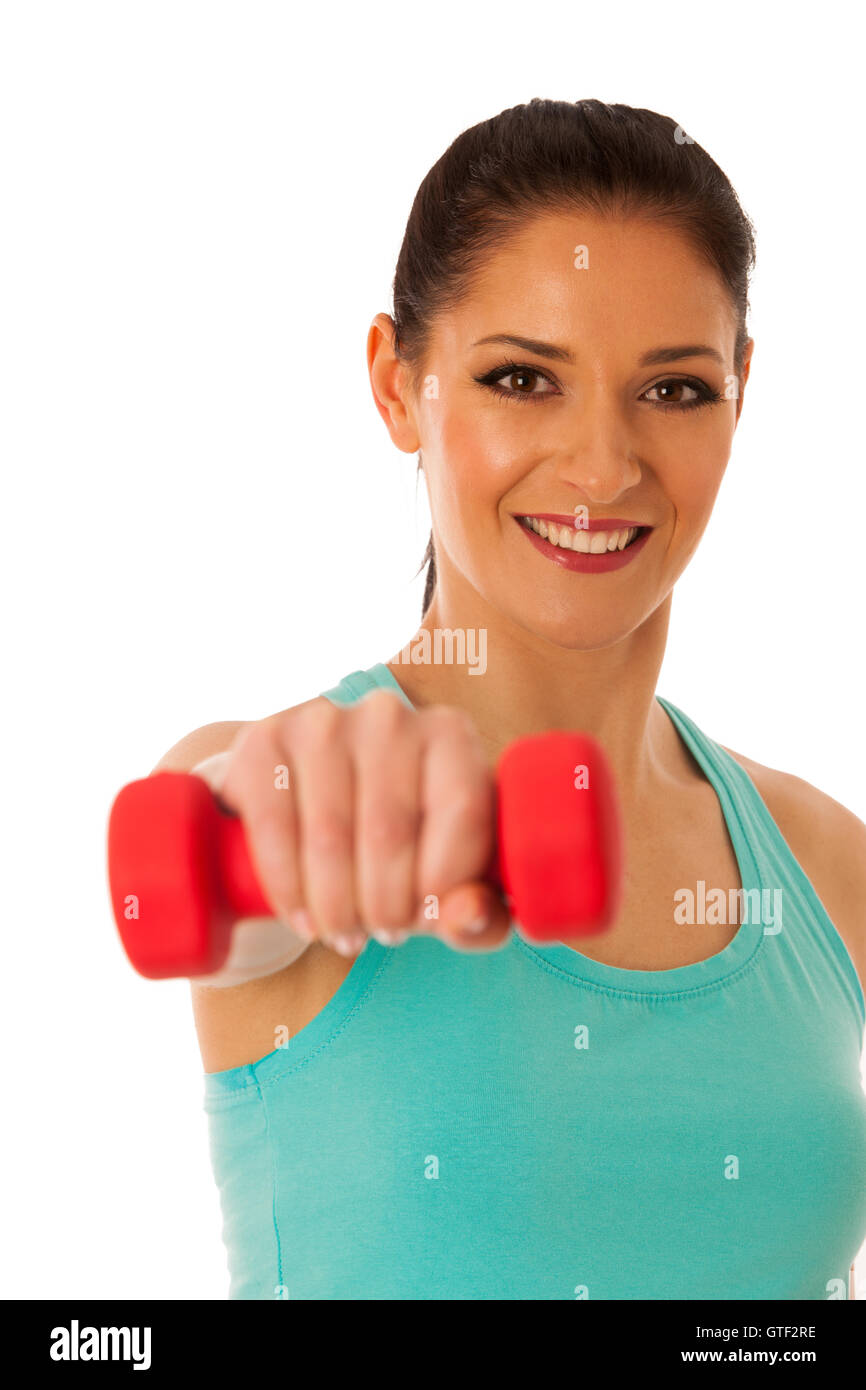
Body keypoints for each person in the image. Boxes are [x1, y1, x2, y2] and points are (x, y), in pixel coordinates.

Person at [156, 98, 866, 1300]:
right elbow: (226, 844)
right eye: (521, 377)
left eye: (674, 389)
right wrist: (276, 808)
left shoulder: (820, 859)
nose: (600, 465)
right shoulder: (284, 783)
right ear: (397, 385)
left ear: (740, 395)